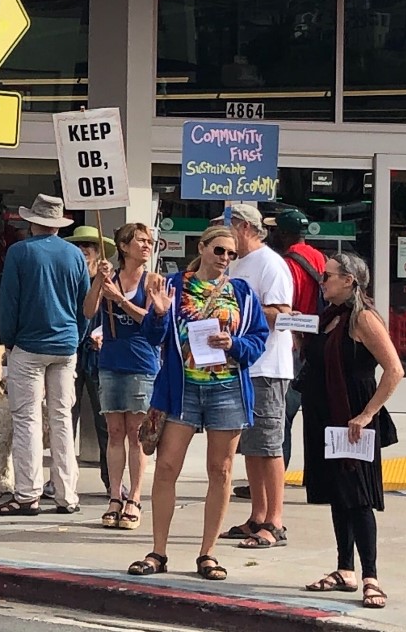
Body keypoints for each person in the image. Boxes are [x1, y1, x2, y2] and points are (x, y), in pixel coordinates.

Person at [129, 225, 271, 582]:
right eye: (219, 251)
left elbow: (257, 340)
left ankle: (207, 552)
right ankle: (158, 551)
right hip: (183, 389)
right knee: (166, 467)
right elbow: (151, 338)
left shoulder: (242, 292)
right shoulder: (173, 286)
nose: (225, 259)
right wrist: (159, 313)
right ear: (202, 247)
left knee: (221, 471)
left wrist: (234, 345)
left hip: (226, 388)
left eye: (232, 254)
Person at [298, 252, 402, 611]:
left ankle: (371, 577)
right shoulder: (330, 317)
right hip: (324, 416)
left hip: (352, 417)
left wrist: (366, 414)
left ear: (350, 281)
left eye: (328, 276)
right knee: (337, 494)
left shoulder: (363, 319)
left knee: (357, 496)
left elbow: (394, 370)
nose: (322, 281)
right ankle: (345, 568)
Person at [0, 195, 89, 517]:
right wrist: (77, 337)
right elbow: (84, 306)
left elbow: (9, 303)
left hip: (29, 346)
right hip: (65, 345)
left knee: (27, 419)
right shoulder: (75, 255)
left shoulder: (20, 252)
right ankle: (66, 494)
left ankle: (27, 493)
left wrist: (9, 341)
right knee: (61, 419)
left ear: (33, 221)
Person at [222, 202, 295, 550]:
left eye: (228, 227)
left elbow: (282, 313)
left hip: (267, 367)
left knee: (269, 443)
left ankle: (275, 520)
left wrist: (238, 310)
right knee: (251, 445)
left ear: (244, 228)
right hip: (242, 366)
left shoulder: (270, 264)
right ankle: (257, 514)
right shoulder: (236, 263)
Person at [85, 222, 159, 531]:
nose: (146, 246)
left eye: (149, 241)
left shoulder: (153, 280)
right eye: (140, 240)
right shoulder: (110, 278)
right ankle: (115, 496)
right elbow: (89, 312)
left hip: (142, 361)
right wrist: (99, 284)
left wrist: (121, 300)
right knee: (114, 431)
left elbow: (152, 321)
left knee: (136, 433)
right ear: (124, 246)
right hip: (111, 361)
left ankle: (135, 497)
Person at [270, 208, 326, 469]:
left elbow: (284, 308)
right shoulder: (321, 259)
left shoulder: (286, 265)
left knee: (283, 413)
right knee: (317, 413)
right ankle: (316, 477)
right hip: (320, 344)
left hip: (294, 345)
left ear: (282, 233)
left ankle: (275, 476)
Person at [68, 225, 116, 509]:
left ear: (99, 252)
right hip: (70, 353)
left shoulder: (111, 280)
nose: (85, 250)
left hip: (99, 356)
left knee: (105, 421)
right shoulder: (69, 277)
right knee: (64, 420)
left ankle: (112, 480)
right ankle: (62, 479)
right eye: (80, 245)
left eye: (90, 245)